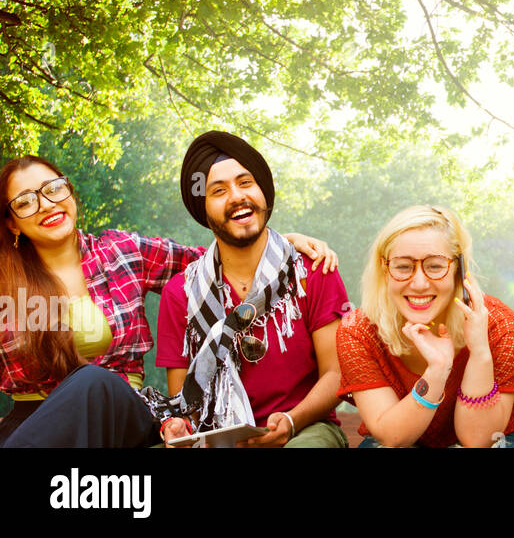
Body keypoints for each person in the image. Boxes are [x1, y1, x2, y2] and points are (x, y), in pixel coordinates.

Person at [0, 154, 334, 447]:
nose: (46, 204)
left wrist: (278, 245)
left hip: (121, 411)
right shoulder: (5, 283)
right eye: (26, 201)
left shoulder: (122, 252)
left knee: (91, 380)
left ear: (69, 192)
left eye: (53, 188)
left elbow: (217, 262)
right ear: (11, 221)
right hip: (33, 419)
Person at [155, 131, 349, 448]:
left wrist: (291, 420)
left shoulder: (311, 272)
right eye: (218, 191)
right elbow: (185, 402)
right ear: (202, 209)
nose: (236, 197)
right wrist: (180, 426)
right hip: (220, 438)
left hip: (304, 429)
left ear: (262, 191)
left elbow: (337, 374)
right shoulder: (182, 293)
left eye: (246, 183)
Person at [336, 204, 514, 447]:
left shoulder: (501, 325)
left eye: (435, 266)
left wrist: (480, 352)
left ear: (458, 269)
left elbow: (478, 439)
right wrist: (437, 371)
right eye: (403, 266)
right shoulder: (358, 330)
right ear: (384, 269)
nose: (419, 283)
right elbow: (392, 437)